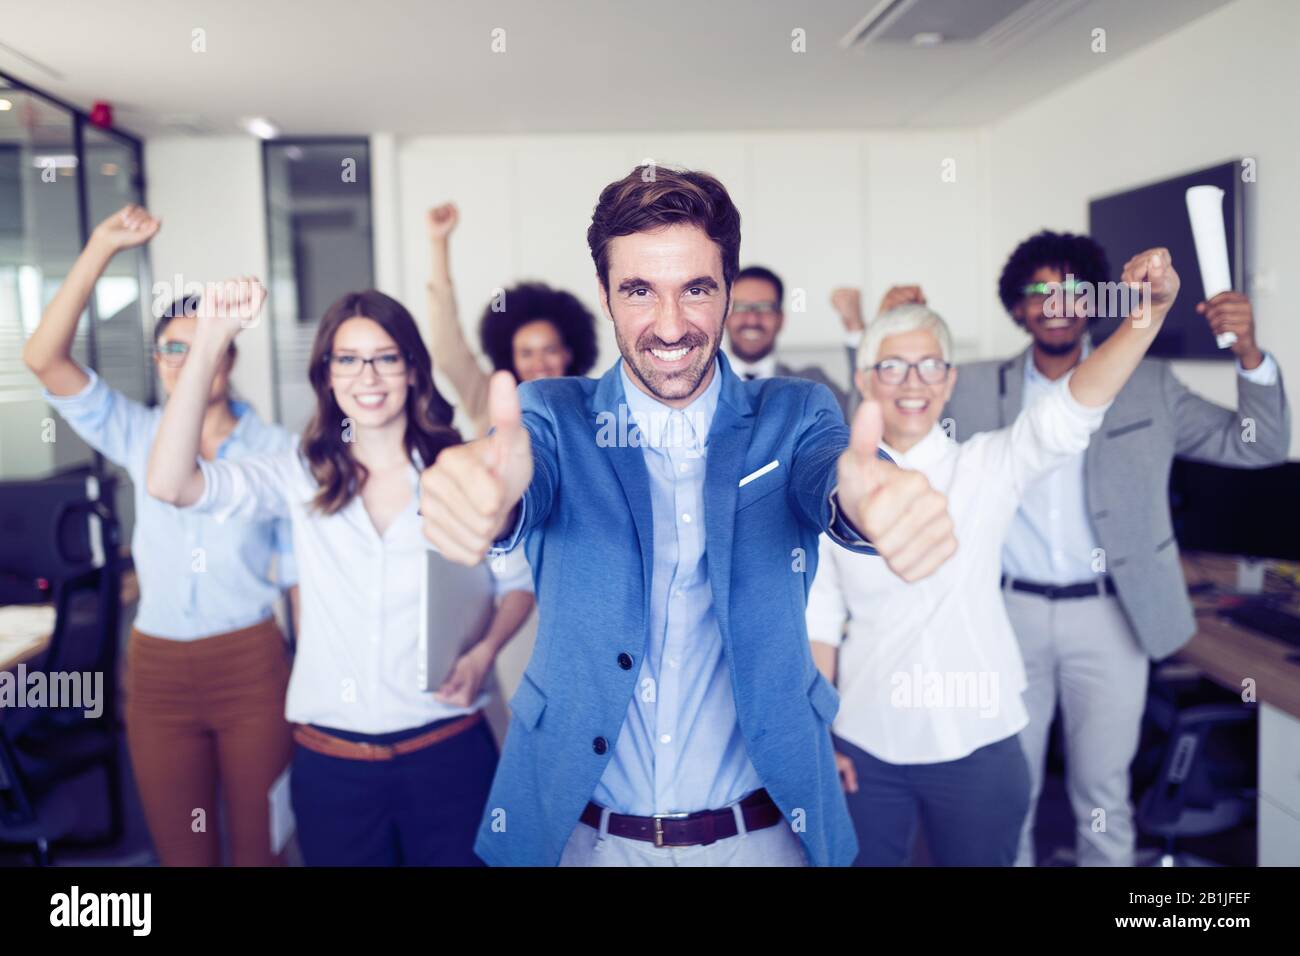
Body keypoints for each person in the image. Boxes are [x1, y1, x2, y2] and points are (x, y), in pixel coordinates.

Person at [417, 164, 958, 867]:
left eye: (696, 289)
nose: (670, 326)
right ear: (607, 297)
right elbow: (519, 472)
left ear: (728, 291)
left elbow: (837, 475)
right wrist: (488, 496)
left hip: (763, 838)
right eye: (639, 291)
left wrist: (870, 496)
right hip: (581, 838)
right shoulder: (551, 414)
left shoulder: (794, 413)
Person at [873, 229, 1289, 866]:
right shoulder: (975, 386)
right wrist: (892, 335)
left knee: (1103, 790)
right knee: (1009, 787)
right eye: (1040, 290)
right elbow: (881, 438)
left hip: (1111, 615)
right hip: (1002, 616)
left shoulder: (1149, 384)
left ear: (1096, 302)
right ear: (1017, 307)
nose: (1057, 302)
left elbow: (1257, 443)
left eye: (1073, 288)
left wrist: (1251, 354)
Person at [806, 245, 1181, 866]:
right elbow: (820, 619)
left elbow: (1070, 411)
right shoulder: (835, 486)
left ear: (951, 381)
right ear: (865, 377)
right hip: (864, 743)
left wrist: (1149, 314)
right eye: (892, 367)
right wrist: (820, 734)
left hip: (981, 742)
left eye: (930, 366)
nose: (913, 383)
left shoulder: (988, 464)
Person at [146, 282, 535, 866]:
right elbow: (171, 484)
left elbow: (517, 585)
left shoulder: (458, 466)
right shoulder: (298, 474)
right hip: (332, 768)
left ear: (411, 369)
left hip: (447, 752)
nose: (368, 377)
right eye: (347, 360)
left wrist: (483, 654)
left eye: (385, 358)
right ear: (327, 374)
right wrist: (208, 344)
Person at [22, 205, 299, 866]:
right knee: (184, 852)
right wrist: (98, 247)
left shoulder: (277, 449)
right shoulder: (135, 431)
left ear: (226, 356)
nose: (185, 358)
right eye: (172, 346)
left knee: (263, 852)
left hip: (251, 665)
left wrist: (312, 683)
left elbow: (297, 581)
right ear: (159, 359)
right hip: (158, 671)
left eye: (201, 343)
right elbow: (42, 357)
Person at [425, 202, 599, 436]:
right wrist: (439, 242)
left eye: (550, 349)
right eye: (526, 353)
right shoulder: (487, 395)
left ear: (568, 353)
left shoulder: (590, 403)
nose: (539, 363)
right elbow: (447, 350)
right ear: (511, 357)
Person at [725, 265, 851, 416]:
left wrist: (855, 328)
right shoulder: (701, 384)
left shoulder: (812, 384)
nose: (752, 319)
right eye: (740, 307)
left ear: (781, 319)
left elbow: (859, 421)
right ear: (724, 316)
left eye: (764, 307)